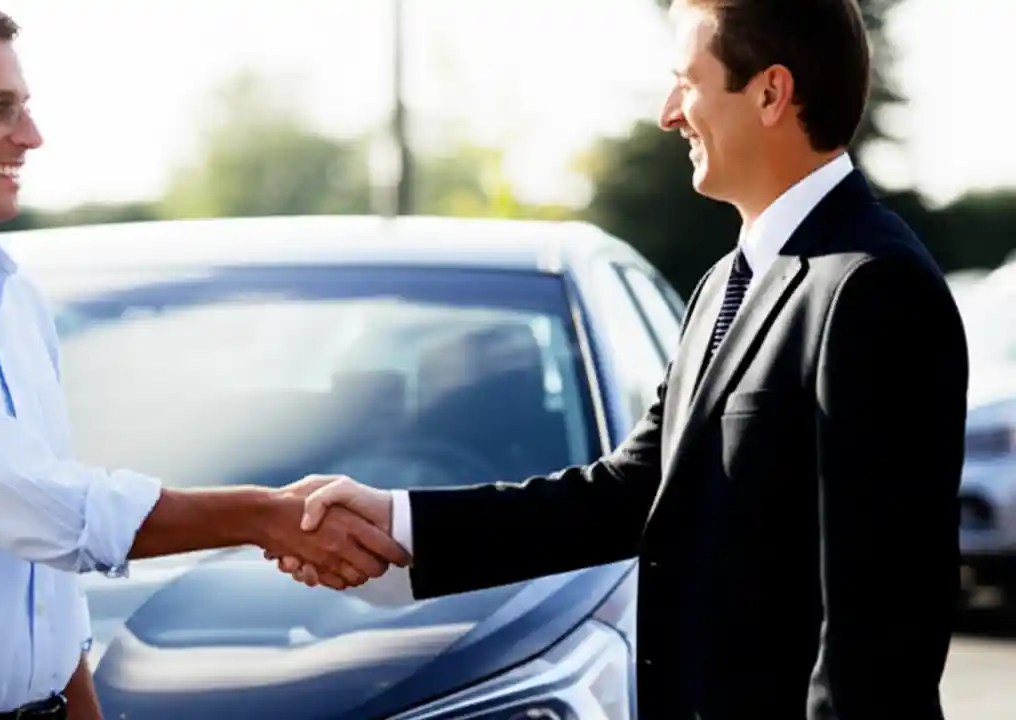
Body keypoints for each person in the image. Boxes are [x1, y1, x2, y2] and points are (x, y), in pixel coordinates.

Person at [273, 0, 970, 717]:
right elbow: (627, 492)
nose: (669, 112)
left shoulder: (874, 287)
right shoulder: (725, 284)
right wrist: (396, 522)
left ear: (770, 93)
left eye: (687, 82)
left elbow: (884, 621)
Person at [0, 3, 406, 719]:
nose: (31, 135)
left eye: (25, 107)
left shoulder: (12, 297)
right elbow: (41, 509)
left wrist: (77, 701)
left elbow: (38, 556)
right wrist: (264, 515)